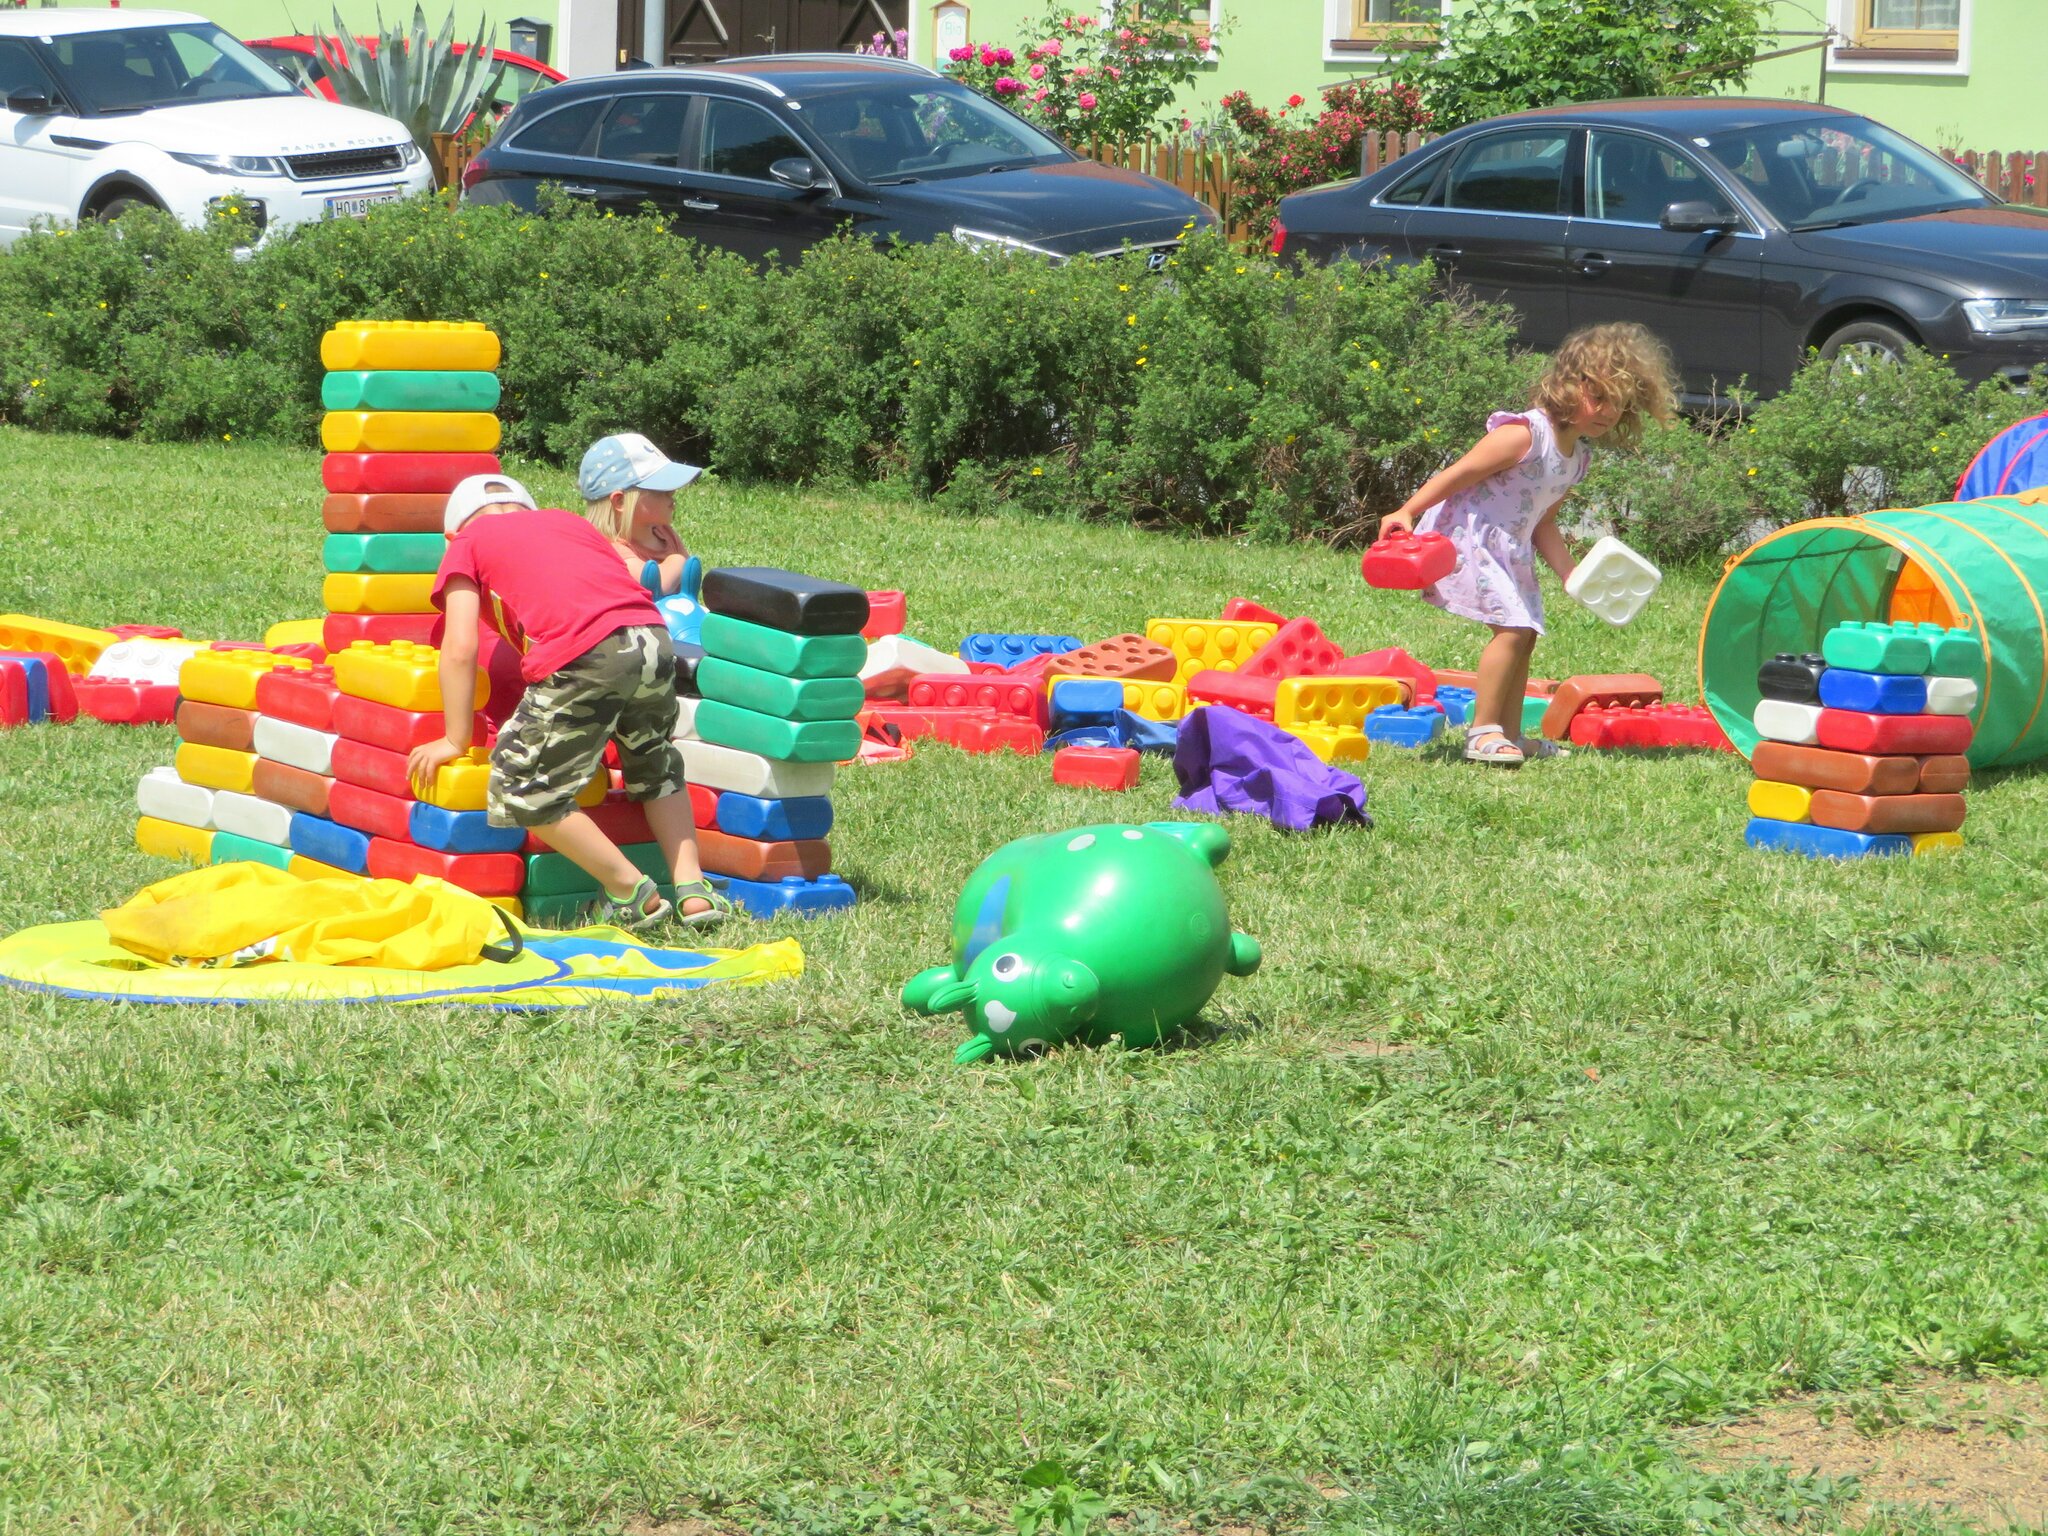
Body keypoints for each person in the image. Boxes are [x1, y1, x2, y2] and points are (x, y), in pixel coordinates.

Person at [408, 473, 730, 928]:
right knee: (654, 762)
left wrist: (455, 739)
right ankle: (693, 889)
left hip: (585, 653)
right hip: (654, 638)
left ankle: (629, 889)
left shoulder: (467, 542)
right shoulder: (570, 523)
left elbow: (460, 647)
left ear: (450, 535)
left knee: (522, 787)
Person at [1380, 323, 1677, 767]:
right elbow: (1456, 475)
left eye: (1619, 403)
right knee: (1513, 630)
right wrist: (1405, 511)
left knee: (1526, 636)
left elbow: (1544, 523)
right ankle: (1483, 732)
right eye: (1598, 396)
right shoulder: (1524, 434)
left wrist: (1571, 574)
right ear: (1569, 385)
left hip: (1511, 548)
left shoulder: (1576, 458)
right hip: (1470, 538)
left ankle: (1511, 733)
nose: (1607, 411)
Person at [579, 432, 702, 598]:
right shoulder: (612, 550)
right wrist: (678, 560)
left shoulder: (664, 532)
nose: (673, 493)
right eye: (662, 489)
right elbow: (657, 585)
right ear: (620, 502)